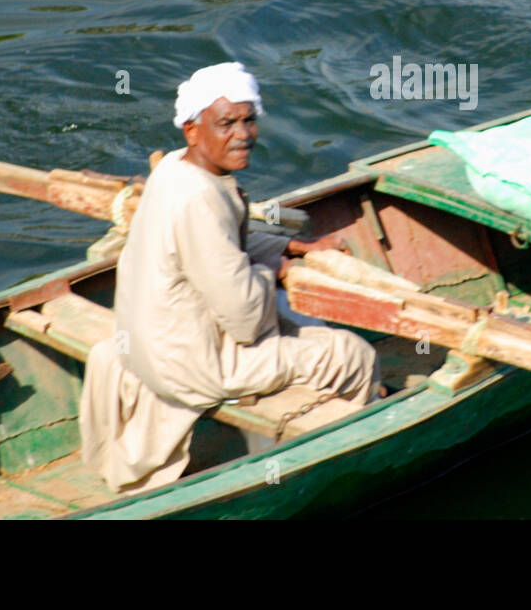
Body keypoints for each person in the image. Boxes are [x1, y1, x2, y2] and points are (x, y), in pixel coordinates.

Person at [79, 62, 379, 493]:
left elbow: (219, 244)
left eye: (248, 120)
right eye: (226, 124)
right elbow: (243, 317)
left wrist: (296, 247)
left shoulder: (173, 170)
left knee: (293, 321)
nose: (242, 134)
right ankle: (348, 474)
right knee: (351, 354)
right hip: (194, 363)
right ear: (192, 130)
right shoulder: (201, 199)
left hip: (146, 345)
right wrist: (275, 270)